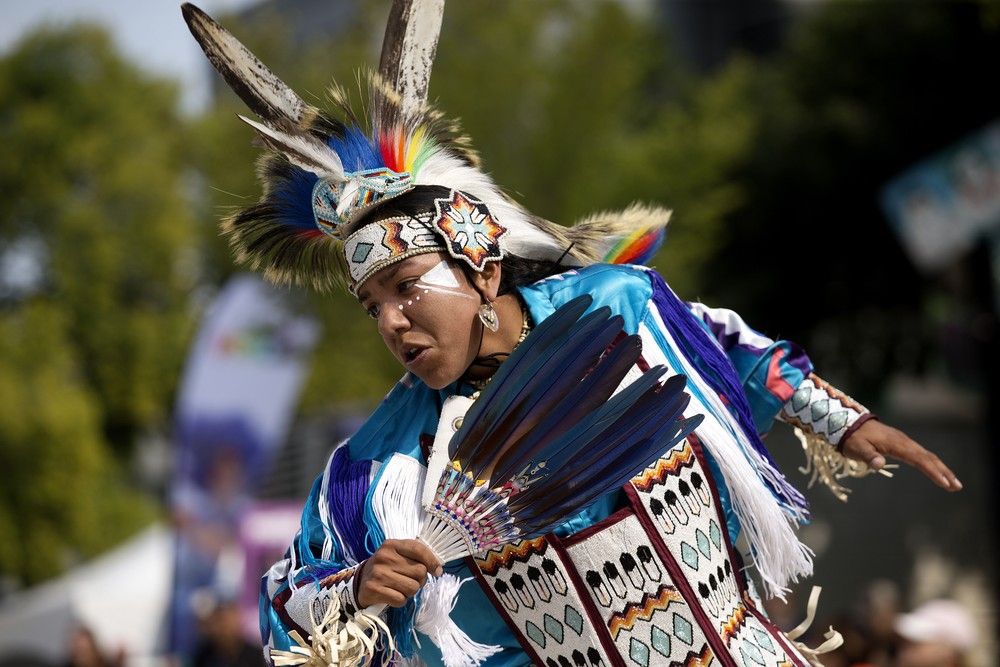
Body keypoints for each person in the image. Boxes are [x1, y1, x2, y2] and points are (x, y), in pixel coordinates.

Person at [182, 5, 960, 665]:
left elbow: (724, 342)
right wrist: (355, 584)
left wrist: (840, 419)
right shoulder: (383, 461)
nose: (390, 319)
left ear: (484, 272)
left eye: (407, 286)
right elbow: (281, 598)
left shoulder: (618, 306)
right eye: (372, 304)